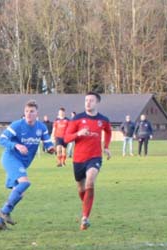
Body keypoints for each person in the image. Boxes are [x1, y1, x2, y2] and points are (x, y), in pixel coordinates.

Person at [0, 100, 55, 230]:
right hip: (10, 158)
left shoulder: (41, 128)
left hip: (23, 162)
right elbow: (1, 140)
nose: (29, 114)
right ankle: (4, 212)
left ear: (37, 113)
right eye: (26, 111)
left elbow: (48, 143)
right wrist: (16, 145)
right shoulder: (17, 125)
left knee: (20, 193)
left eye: (32, 111)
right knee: (25, 183)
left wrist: (51, 149)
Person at [63, 92, 112, 230]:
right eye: (86, 100)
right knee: (81, 188)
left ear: (97, 103)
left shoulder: (103, 120)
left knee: (90, 181)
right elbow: (66, 138)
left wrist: (106, 146)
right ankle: (86, 205)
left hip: (95, 157)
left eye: (91, 100)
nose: (88, 102)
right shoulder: (77, 119)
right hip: (78, 159)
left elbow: (108, 132)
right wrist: (78, 133)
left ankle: (85, 218)